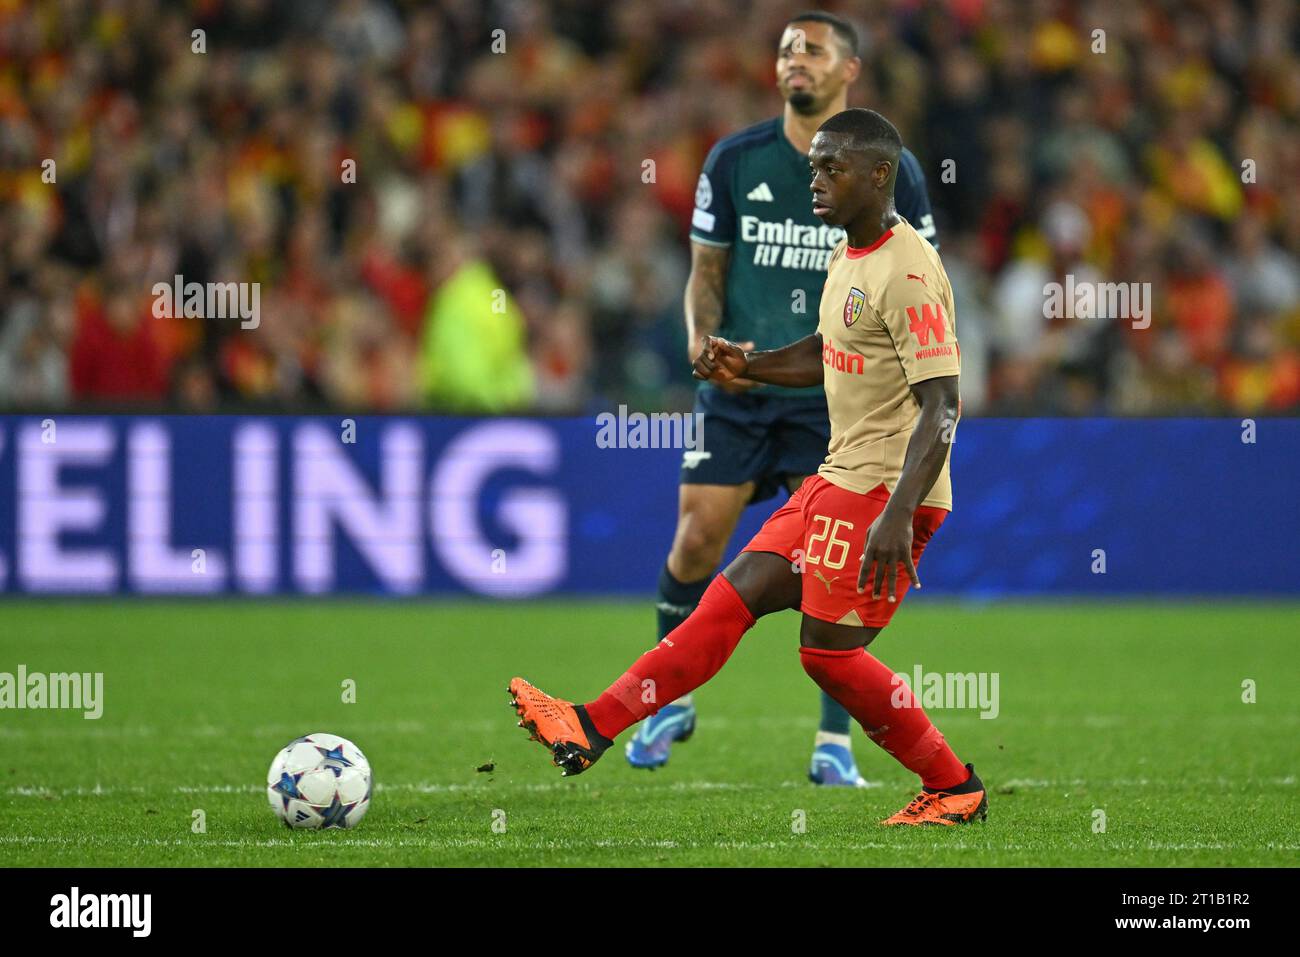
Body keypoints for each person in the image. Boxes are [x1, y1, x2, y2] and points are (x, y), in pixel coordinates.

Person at [510, 108, 986, 826]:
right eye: (813, 166)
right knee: (729, 597)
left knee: (828, 657)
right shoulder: (851, 252)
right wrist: (750, 364)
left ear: (880, 175)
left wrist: (895, 516)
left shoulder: (910, 269)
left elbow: (944, 406)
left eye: (832, 168)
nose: (814, 179)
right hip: (840, 478)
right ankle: (591, 724)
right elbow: (827, 348)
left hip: (883, 492)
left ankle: (954, 786)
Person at [630, 11, 939, 786]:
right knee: (698, 539)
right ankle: (673, 700)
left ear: (850, 70)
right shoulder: (736, 160)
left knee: (830, 568)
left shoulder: (887, 169)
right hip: (745, 385)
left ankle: (833, 744)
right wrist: (705, 343)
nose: (792, 60)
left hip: (840, 401)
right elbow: (706, 271)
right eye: (784, 49)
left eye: (812, 49)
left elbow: (920, 274)